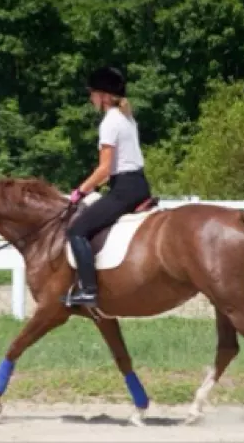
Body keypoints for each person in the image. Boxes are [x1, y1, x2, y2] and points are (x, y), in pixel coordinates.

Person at [62, 66, 152, 307]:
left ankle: (89, 290)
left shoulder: (110, 122)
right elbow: (108, 173)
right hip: (139, 184)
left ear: (103, 96)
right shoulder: (127, 117)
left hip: (125, 189)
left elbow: (104, 169)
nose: (90, 98)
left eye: (92, 93)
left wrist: (80, 191)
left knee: (77, 230)